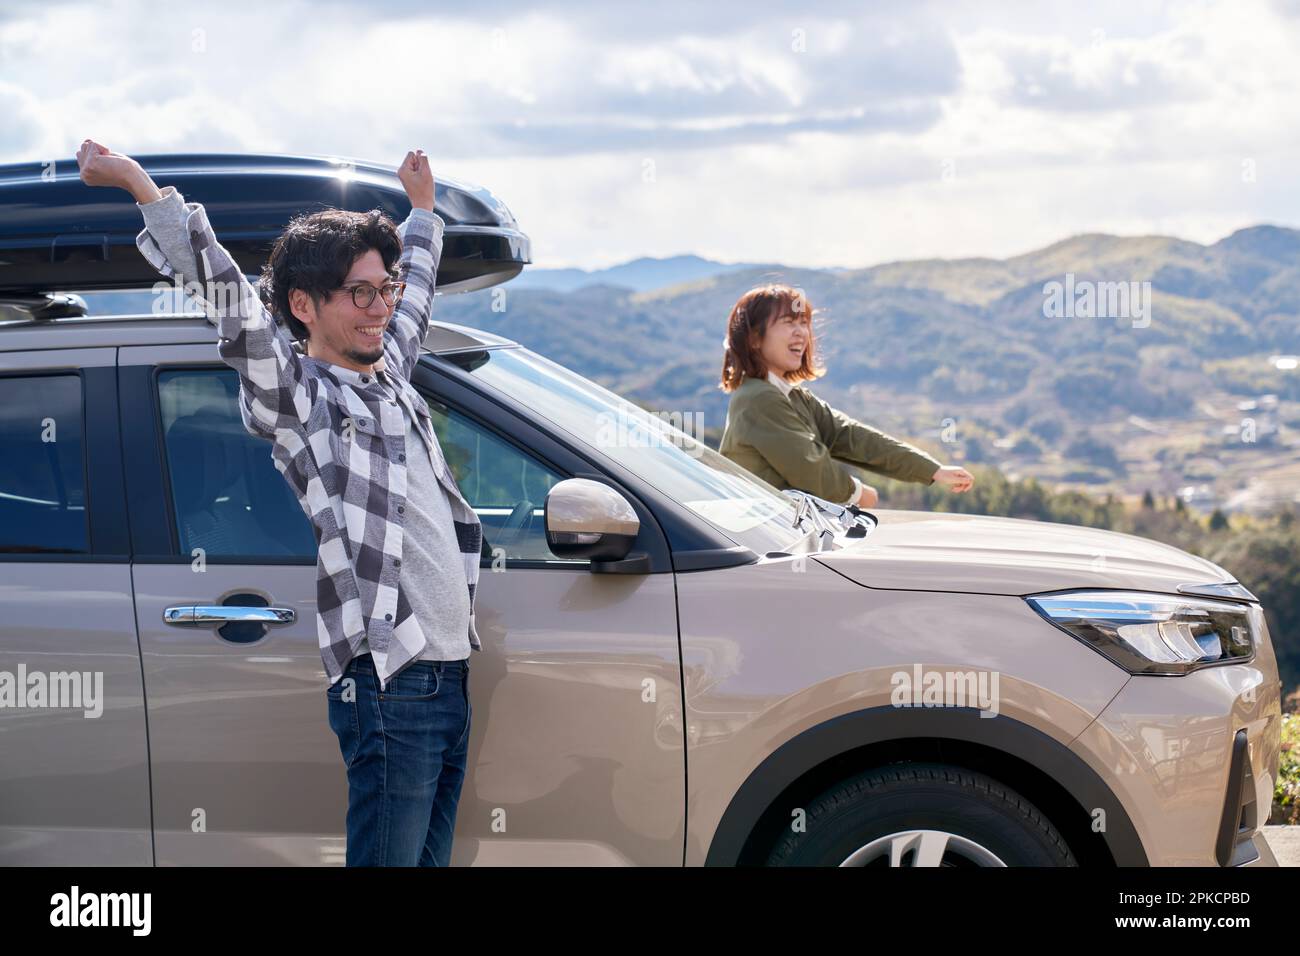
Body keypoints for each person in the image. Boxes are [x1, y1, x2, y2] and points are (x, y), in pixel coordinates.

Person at [76, 139, 478, 867]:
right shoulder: (303, 397)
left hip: (448, 677)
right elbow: (228, 300)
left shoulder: (388, 375)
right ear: (304, 305)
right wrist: (141, 186)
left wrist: (422, 211)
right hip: (391, 683)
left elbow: (415, 294)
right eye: (361, 293)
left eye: (382, 289)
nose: (381, 305)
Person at [718, 283, 974, 506]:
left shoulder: (792, 396)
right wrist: (860, 494)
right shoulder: (759, 398)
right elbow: (810, 468)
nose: (801, 333)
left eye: (804, 323)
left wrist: (932, 470)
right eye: (788, 322)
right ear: (754, 338)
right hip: (762, 545)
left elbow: (852, 437)